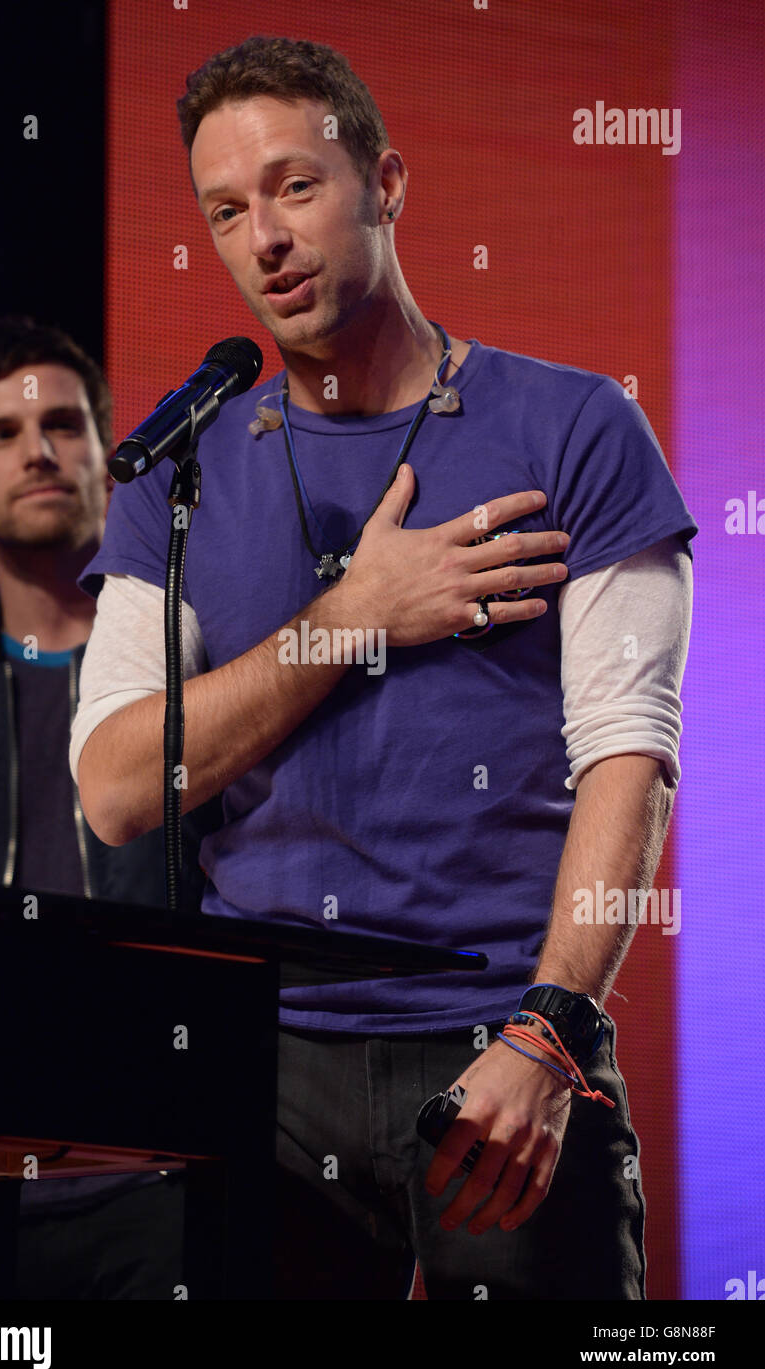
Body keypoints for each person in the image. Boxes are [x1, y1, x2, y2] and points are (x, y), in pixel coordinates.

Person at [71, 37, 697, 1301]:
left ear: (389, 182)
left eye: (295, 186)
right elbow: (119, 787)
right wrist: (352, 615)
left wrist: (551, 1031)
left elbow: (629, 757)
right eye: (227, 211)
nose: (264, 239)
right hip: (264, 1059)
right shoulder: (178, 477)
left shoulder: (574, 428)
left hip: (502, 1045)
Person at [0, 316, 220, 1298]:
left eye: (66, 426)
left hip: (176, 1175)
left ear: (110, 452)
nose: (39, 451)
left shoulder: (205, 666)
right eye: (0, 434)